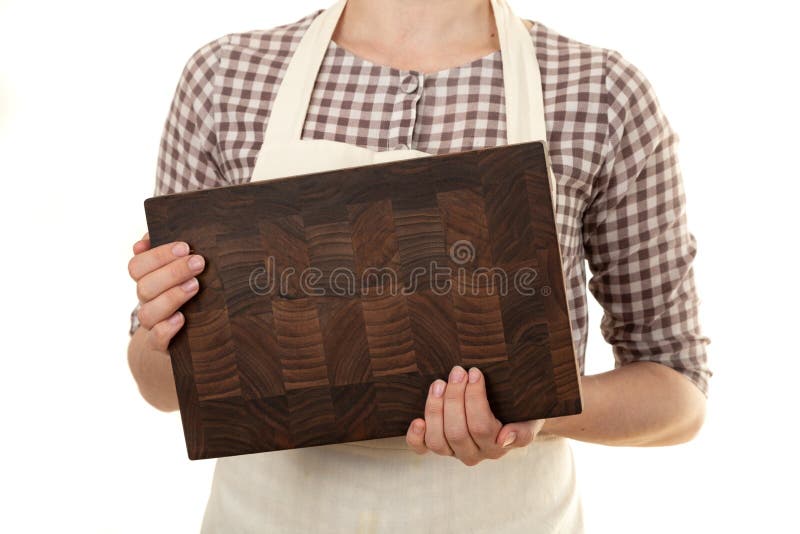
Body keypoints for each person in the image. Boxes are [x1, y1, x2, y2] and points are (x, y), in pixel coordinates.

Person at [126, 0, 711, 532]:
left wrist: (540, 416)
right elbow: (159, 386)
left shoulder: (601, 94)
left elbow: (677, 388)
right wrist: (163, 330)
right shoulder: (226, 79)